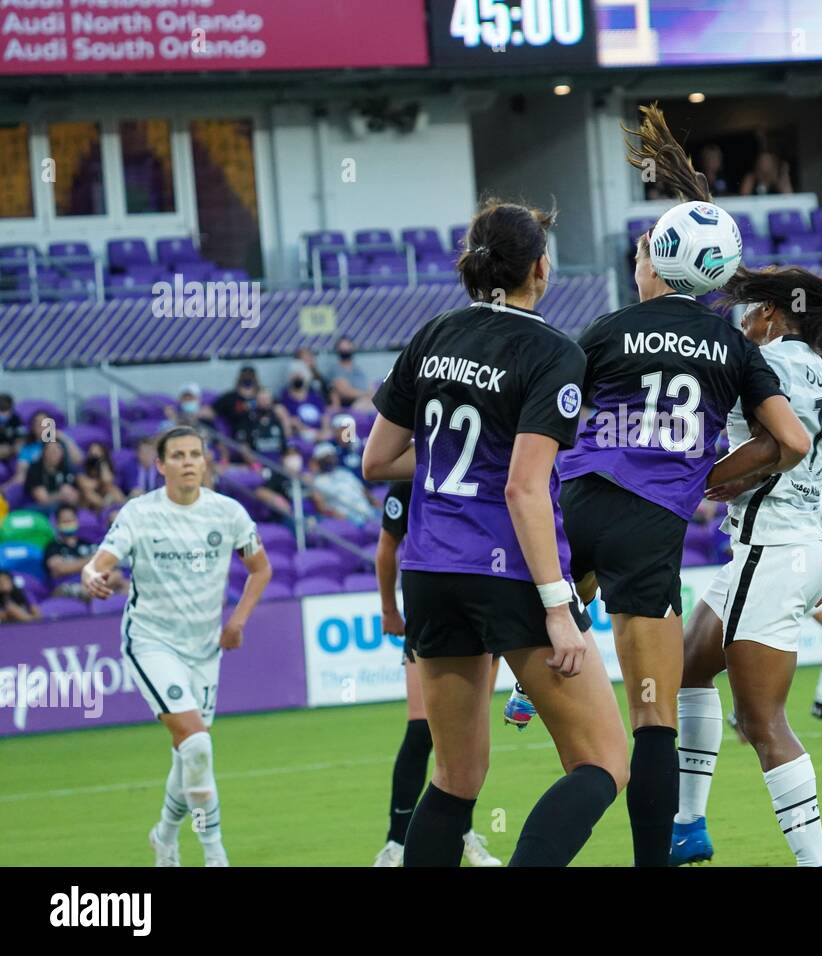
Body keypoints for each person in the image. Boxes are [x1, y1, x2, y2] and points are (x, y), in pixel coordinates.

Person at [558, 106, 810, 868]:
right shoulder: (732, 345)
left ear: (659, 264)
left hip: (576, 512)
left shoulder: (605, 331)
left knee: (550, 626)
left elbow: (554, 425)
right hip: (649, 528)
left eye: (643, 249)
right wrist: (706, 479)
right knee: (653, 720)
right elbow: (791, 442)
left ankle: (550, 634)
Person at [361, 197, 630, 868]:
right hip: (506, 571)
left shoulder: (432, 335)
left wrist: (463, 462)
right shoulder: (551, 352)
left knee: (454, 781)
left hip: (429, 571)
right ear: (541, 268)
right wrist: (559, 610)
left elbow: (377, 461)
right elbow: (523, 486)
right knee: (602, 762)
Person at [671, 263, 822, 867]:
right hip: (797, 549)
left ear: (775, 315)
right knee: (687, 669)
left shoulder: (769, 363)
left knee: (761, 722)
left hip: (772, 550)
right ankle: (687, 827)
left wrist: (710, 480)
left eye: (753, 310)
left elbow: (775, 443)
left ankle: (817, 863)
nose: (745, 320)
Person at [80, 425, 272, 866]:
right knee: (199, 746)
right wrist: (92, 575)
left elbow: (260, 569)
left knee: (188, 753)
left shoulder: (228, 514)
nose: (188, 462)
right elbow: (100, 562)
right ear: (160, 465)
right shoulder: (140, 514)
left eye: (195, 454)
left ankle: (164, 836)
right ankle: (214, 853)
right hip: (152, 641)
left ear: (205, 462)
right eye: (179, 455)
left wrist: (237, 621)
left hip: (204, 646)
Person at [371, 480, 502, 868]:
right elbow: (386, 549)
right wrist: (388, 609)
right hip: (434, 615)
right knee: (421, 730)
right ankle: (396, 842)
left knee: (472, 737)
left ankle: (463, 835)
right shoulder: (407, 485)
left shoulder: (486, 469)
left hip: (484, 611)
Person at [309, 443, 378, 526]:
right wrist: (339, 516)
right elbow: (322, 507)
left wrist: (376, 503)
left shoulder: (344, 472)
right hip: (349, 518)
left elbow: (363, 491)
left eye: (332, 456)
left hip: (367, 510)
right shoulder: (317, 481)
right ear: (319, 460)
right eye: (327, 457)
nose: (331, 459)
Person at [233, 388, 289, 461]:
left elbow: (287, 437)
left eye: (266, 399)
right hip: (257, 462)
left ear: (271, 401)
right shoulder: (248, 418)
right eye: (261, 399)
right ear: (256, 400)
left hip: (278, 462)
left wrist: (284, 417)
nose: (264, 402)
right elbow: (243, 446)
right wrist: (254, 463)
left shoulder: (277, 418)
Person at [25, 438, 81, 509]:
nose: (54, 454)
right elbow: (42, 499)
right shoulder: (35, 469)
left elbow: (75, 494)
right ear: (44, 452)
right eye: (51, 450)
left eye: (57, 451)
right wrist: (61, 495)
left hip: (64, 507)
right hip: (39, 509)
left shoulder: (66, 468)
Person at [325, 338, 375, 412]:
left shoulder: (358, 370)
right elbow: (345, 392)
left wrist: (369, 394)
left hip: (365, 402)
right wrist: (366, 394)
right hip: (348, 408)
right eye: (342, 348)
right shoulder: (335, 369)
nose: (345, 350)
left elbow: (368, 387)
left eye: (347, 347)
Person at [76, 440, 125, 511]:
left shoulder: (106, 464)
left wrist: (102, 463)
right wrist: (100, 482)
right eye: (92, 451)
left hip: (103, 493)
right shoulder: (83, 465)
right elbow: (86, 484)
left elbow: (108, 481)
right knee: (88, 492)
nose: (94, 454)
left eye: (97, 451)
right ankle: (105, 507)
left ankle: (124, 509)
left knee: (112, 489)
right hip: (86, 499)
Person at [279, 369, 328, 440]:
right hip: (299, 433)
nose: (298, 378)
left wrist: (324, 431)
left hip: (319, 432)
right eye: (295, 376)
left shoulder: (315, 397)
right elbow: (287, 418)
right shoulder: (286, 397)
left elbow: (324, 417)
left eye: (300, 376)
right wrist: (302, 428)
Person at [211, 368, 259, 435]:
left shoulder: (262, 396)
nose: (248, 379)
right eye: (245, 376)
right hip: (236, 440)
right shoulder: (229, 398)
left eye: (250, 376)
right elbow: (211, 412)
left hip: (259, 437)